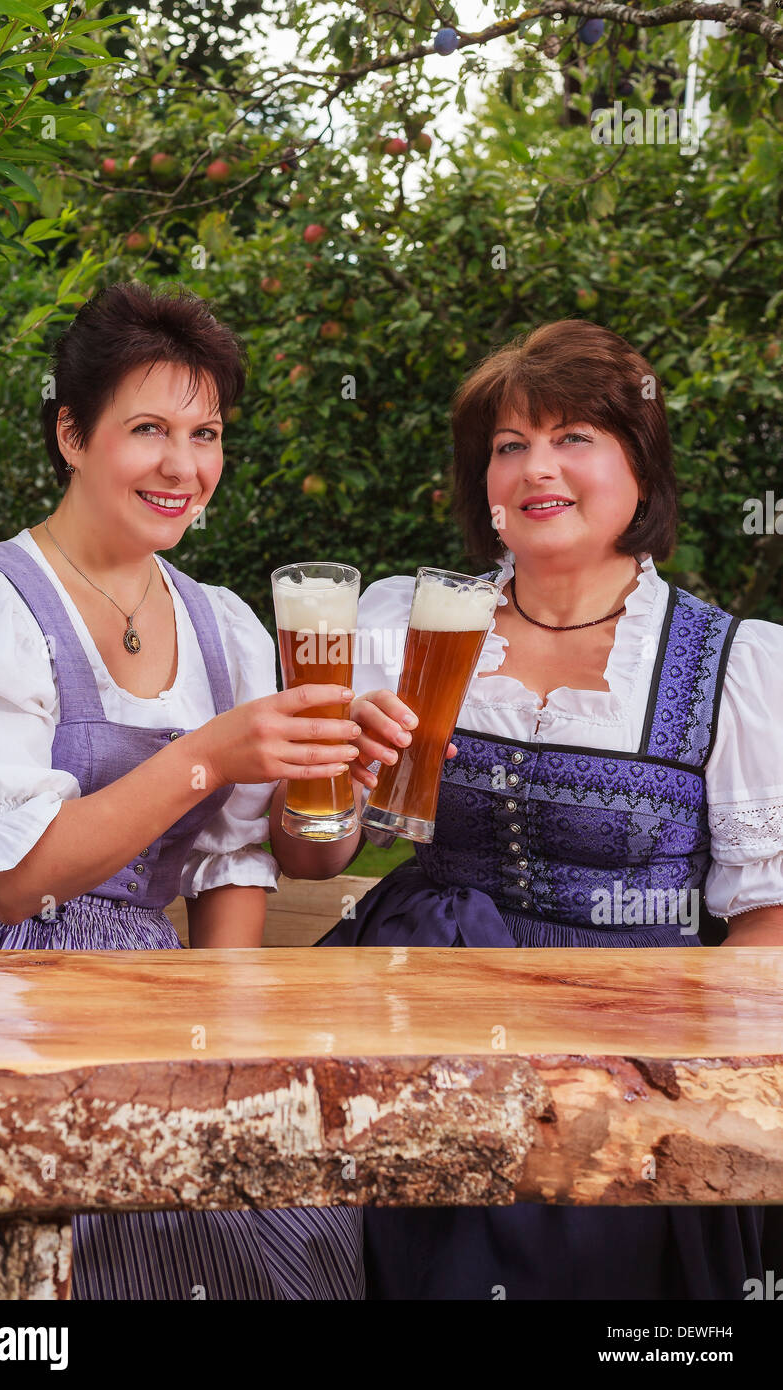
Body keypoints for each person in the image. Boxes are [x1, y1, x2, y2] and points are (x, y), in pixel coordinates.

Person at [269, 318, 783, 1300]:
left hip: (626, 1043)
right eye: (509, 446)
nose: (534, 468)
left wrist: (664, 1073)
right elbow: (310, 859)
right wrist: (339, 777)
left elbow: (766, 926)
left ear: (640, 469)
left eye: (572, 437)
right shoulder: (404, 623)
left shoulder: (732, 666)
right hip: (408, 1007)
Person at [0, 281, 364, 1300]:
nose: (183, 465)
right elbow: (17, 881)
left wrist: (333, 791)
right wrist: (210, 752)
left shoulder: (226, 627)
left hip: (157, 997)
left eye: (204, 433)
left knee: (287, 1222)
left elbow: (262, 860)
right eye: (148, 428)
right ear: (71, 434)